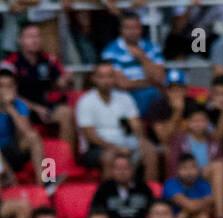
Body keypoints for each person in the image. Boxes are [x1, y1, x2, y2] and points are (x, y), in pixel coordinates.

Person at [76, 60, 157, 181]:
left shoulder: (125, 98)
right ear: (94, 79)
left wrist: (140, 139)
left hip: (124, 142)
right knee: (110, 156)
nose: (106, 81)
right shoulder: (86, 101)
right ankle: (109, 195)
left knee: (149, 150)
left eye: (110, 76)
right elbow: (90, 136)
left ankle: (151, 194)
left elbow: (136, 125)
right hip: (96, 148)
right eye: (102, 77)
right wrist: (116, 148)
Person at [2, 22, 74, 154]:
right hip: (20, 108)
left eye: (37, 36)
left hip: (44, 107)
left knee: (66, 112)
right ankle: (25, 158)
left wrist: (65, 81)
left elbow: (57, 85)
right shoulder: (11, 62)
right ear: (20, 40)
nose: (35, 40)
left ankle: (64, 159)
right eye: (30, 36)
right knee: (22, 116)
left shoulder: (48, 60)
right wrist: (35, 108)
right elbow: (5, 92)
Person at [101, 11, 164, 114]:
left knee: (155, 94)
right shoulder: (110, 51)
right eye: (128, 28)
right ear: (121, 30)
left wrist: (143, 58)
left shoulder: (152, 48)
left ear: (141, 28)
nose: (132, 31)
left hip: (148, 94)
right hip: (123, 95)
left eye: (135, 27)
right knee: (149, 93)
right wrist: (150, 83)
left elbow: (160, 78)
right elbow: (122, 84)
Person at [0, 67, 44, 183]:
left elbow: (26, 133)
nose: (5, 90)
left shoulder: (20, 105)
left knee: (34, 136)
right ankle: (11, 181)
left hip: (14, 151)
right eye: (1, 86)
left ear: (15, 88)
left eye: (9, 86)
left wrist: (10, 108)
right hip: (1, 157)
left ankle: (43, 184)